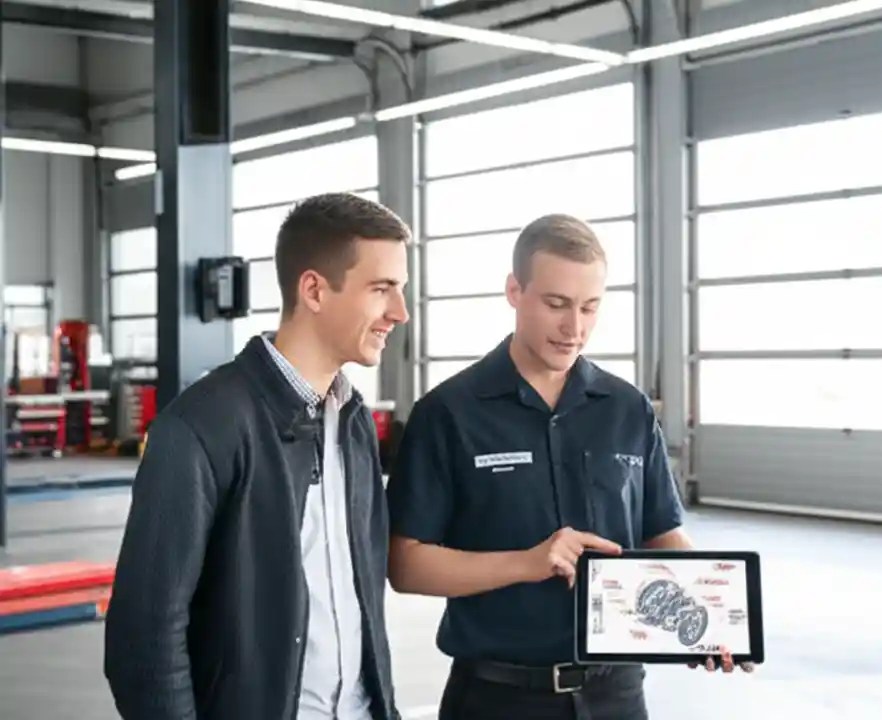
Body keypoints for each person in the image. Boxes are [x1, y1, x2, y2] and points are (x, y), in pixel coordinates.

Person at [386, 214, 748, 720]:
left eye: (589, 307)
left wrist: (709, 616)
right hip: (495, 698)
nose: (573, 328)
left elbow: (660, 531)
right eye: (556, 304)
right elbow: (405, 565)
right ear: (515, 290)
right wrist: (529, 562)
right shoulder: (448, 413)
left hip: (616, 696)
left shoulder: (628, 410)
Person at [104, 192, 411, 719]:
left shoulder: (354, 423)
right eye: (382, 289)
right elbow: (144, 638)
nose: (400, 313)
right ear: (313, 289)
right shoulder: (201, 427)